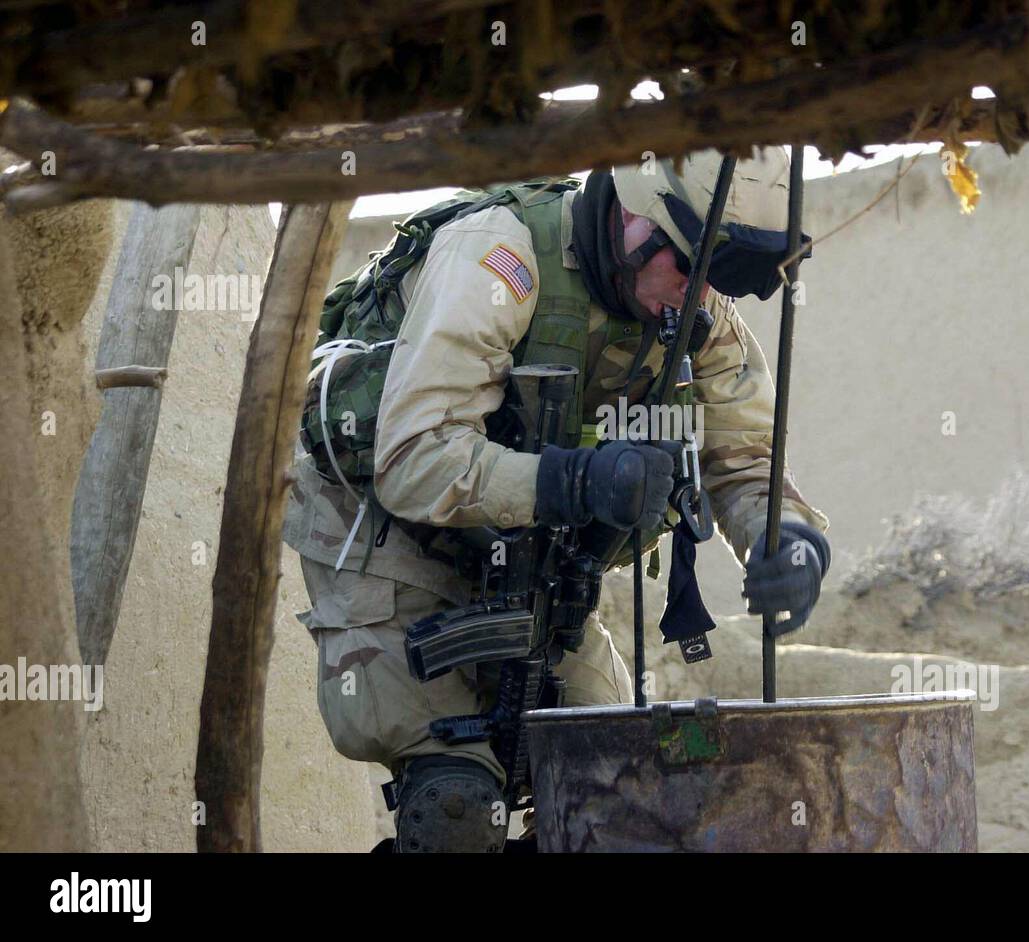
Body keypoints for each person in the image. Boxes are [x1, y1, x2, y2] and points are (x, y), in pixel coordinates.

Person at [282, 147, 830, 852]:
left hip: (539, 572)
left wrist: (786, 539)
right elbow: (413, 460)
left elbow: (743, 459)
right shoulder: (499, 255)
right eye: (690, 267)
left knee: (616, 802)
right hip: (392, 547)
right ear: (639, 220)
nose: (699, 293)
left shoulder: (694, 306)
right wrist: (575, 483)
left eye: (713, 276)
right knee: (457, 808)